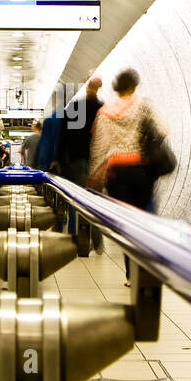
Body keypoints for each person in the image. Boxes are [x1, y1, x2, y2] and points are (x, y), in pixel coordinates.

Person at [88, 68, 168, 276]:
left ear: (116, 89)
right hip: (142, 170)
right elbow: (163, 129)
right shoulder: (144, 107)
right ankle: (148, 264)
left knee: (125, 221)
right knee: (145, 216)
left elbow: (100, 147)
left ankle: (131, 272)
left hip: (117, 173)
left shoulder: (105, 112)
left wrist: (94, 174)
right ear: (133, 86)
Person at [59, 76, 104, 247]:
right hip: (97, 162)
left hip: (76, 160)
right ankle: (98, 240)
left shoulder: (74, 107)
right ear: (99, 88)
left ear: (86, 89)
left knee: (75, 200)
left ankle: (72, 238)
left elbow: (64, 137)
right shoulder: (102, 108)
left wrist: (61, 161)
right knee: (95, 202)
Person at [34, 89, 65, 174]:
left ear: (54, 101)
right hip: (71, 167)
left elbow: (45, 147)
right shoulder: (75, 120)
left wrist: (41, 168)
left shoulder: (50, 121)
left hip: (53, 167)